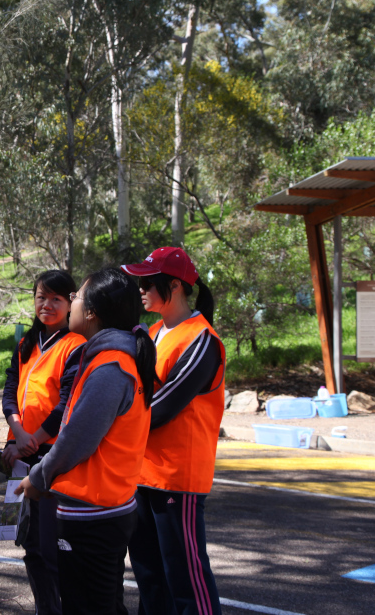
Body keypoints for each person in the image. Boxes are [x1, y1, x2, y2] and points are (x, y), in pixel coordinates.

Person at [17, 268, 156, 615]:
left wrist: (38, 478)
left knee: (88, 605)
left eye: (76, 297)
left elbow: (77, 439)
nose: (72, 302)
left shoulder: (110, 367)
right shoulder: (111, 358)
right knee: (104, 603)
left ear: (92, 312)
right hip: (104, 506)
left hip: (94, 513)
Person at [121, 247, 225, 615]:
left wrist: (115, 424)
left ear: (176, 286)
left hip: (177, 477)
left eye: (148, 282)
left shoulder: (202, 339)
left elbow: (162, 406)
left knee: (185, 578)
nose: (141, 289)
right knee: (150, 576)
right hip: (142, 472)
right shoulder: (152, 332)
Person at [0, 270, 84, 615]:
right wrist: (17, 434)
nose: (46, 305)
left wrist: (33, 440)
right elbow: (8, 391)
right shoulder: (26, 342)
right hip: (18, 454)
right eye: (40, 297)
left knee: (51, 548)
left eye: (56, 299)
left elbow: (66, 403)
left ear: (70, 303)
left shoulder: (76, 345)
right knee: (27, 542)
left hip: (50, 458)